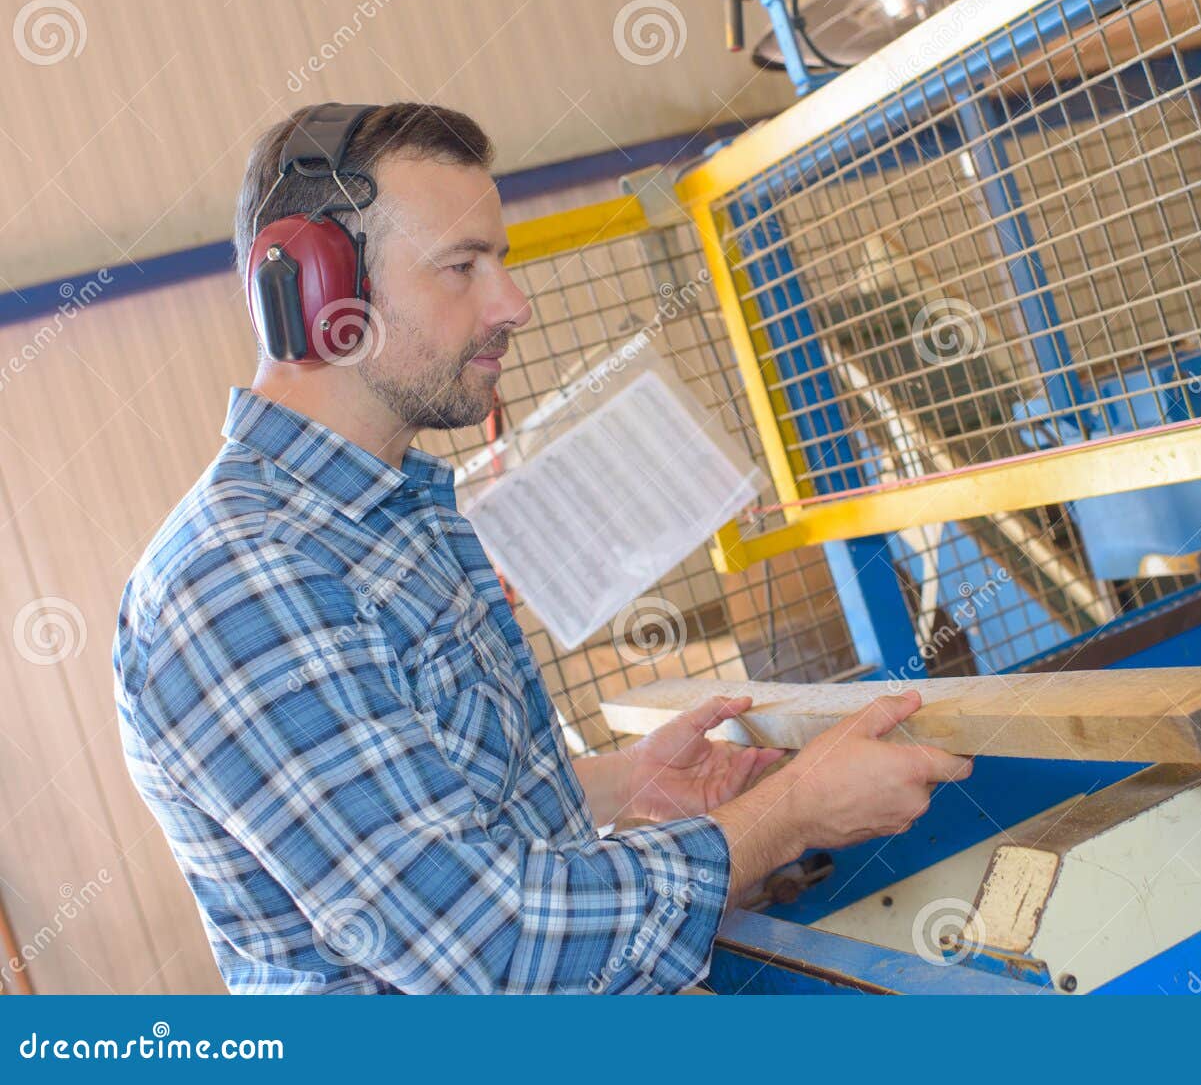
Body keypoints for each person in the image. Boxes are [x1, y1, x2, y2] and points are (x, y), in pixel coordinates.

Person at [113, 102, 971, 994]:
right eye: (461, 267)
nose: (511, 305)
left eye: (503, 262)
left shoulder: (393, 512)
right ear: (316, 291)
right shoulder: (243, 582)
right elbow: (491, 947)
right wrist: (786, 817)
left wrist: (622, 786)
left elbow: (438, 800)